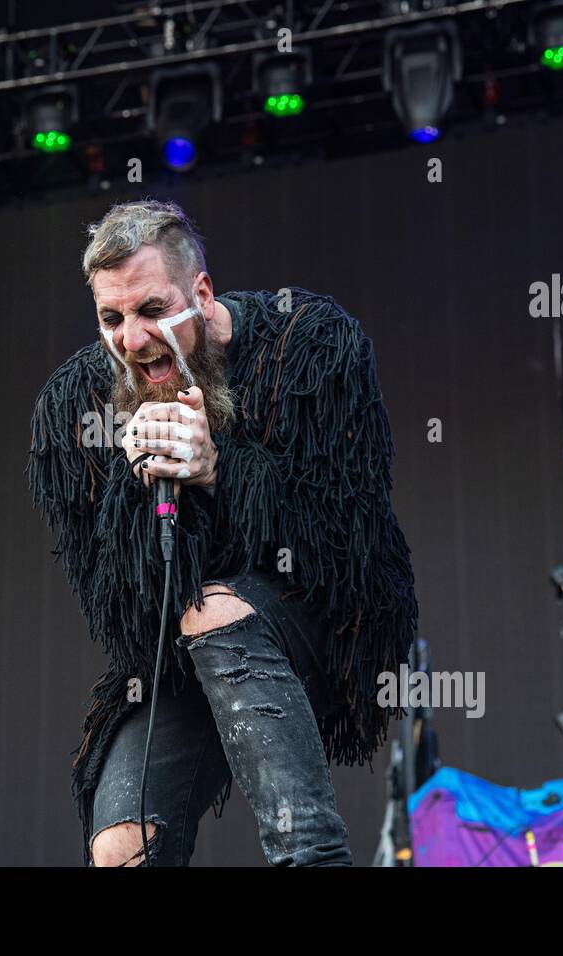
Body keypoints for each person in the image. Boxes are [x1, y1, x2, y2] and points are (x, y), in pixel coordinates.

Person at [27, 198, 418, 866]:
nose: (133, 340)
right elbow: (122, 619)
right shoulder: (76, 408)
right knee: (122, 849)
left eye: (153, 310)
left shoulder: (311, 345)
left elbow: (347, 546)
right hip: (180, 653)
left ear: (201, 295)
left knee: (215, 612)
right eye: (111, 319)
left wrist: (219, 471)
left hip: (320, 618)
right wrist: (135, 484)